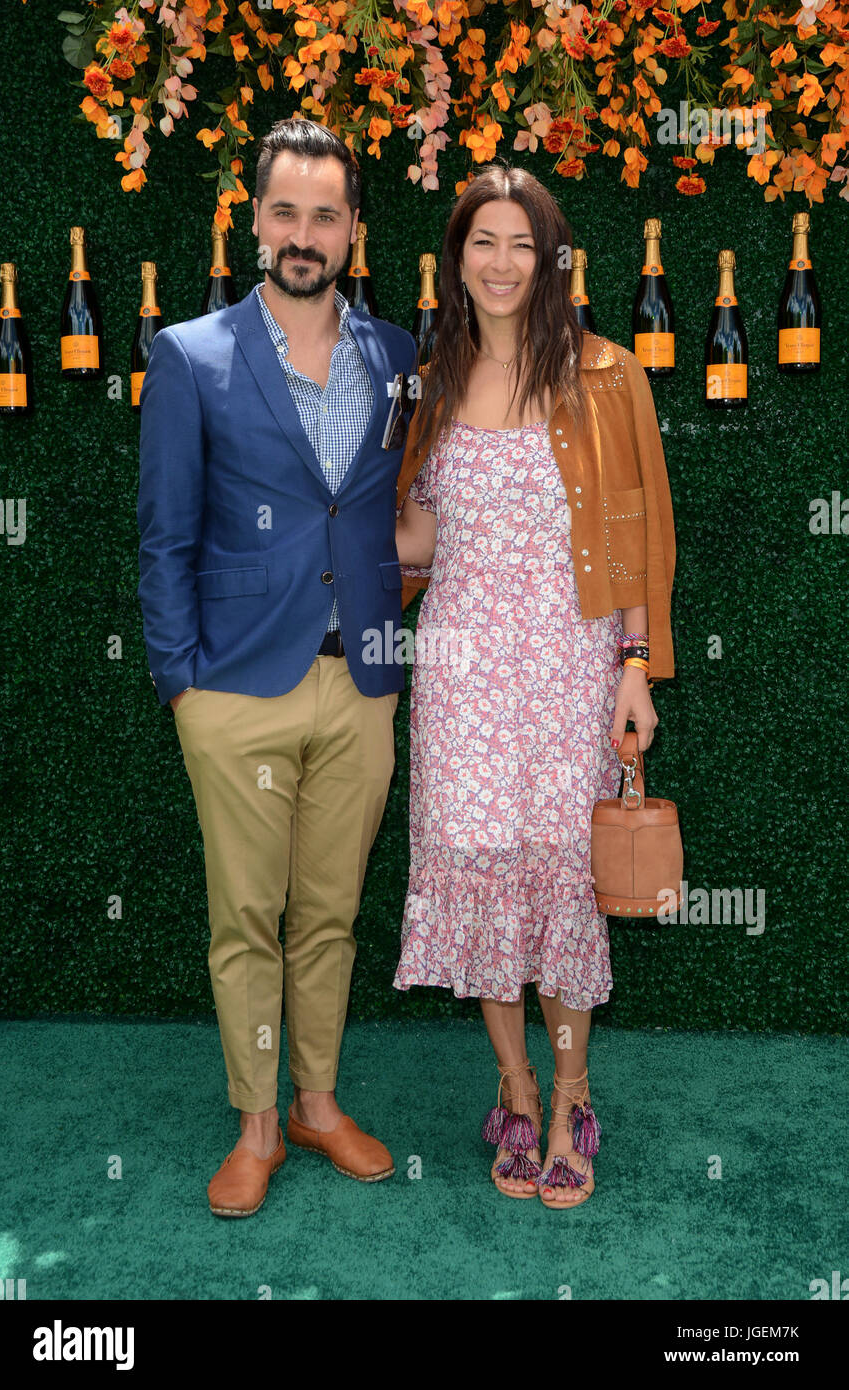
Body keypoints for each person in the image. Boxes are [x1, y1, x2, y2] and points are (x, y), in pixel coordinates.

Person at [137, 118, 415, 1218]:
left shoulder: (395, 357)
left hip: (361, 687)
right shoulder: (190, 354)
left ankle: (316, 1098)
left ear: (353, 229)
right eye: (286, 211)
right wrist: (182, 687)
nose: (305, 234)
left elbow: (391, 511)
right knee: (247, 916)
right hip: (235, 693)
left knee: (332, 912)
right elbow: (163, 538)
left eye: (326, 215)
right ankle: (257, 1123)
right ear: (255, 219)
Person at [392, 162, 676, 1208]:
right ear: (455, 257)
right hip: (460, 671)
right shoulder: (427, 379)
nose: (501, 262)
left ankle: (567, 1095)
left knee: (560, 874)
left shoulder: (605, 374)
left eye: (521, 243)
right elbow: (421, 533)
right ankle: (509, 1084)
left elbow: (640, 530)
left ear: (548, 259)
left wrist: (635, 668)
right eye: (482, 242)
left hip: (569, 667)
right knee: (478, 870)